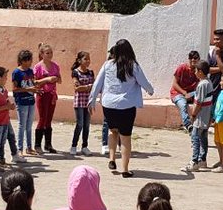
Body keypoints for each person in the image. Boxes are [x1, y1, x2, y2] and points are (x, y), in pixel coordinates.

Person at [90, 38, 155, 178]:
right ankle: (125, 169)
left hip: (109, 105)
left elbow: (97, 83)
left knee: (113, 131)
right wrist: (150, 90)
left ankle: (112, 159)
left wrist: (92, 100)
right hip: (126, 106)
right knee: (125, 137)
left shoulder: (108, 64)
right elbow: (144, 82)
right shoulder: (133, 65)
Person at [181, 61, 214, 174]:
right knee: (203, 138)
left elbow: (198, 102)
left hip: (200, 117)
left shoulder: (202, 84)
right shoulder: (208, 82)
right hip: (206, 116)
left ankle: (195, 161)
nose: (194, 72)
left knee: (195, 138)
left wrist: (193, 115)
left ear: (200, 72)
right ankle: (202, 160)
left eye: (196, 70)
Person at [33, 44, 62, 154]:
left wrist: (56, 79)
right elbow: (34, 82)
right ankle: (37, 145)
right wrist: (47, 79)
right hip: (42, 94)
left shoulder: (55, 66)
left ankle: (48, 144)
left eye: (51, 52)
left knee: (49, 119)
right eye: (47, 53)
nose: (50, 55)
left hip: (52, 95)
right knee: (42, 118)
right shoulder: (38, 67)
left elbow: (60, 80)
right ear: (42, 54)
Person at [11, 49, 39, 156]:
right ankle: (19, 149)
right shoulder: (17, 72)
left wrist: (36, 88)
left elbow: (32, 83)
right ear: (23, 60)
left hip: (31, 100)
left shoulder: (30, 71)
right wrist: (29, 89)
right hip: (22, 102)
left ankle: (29, 147)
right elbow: (15, 89)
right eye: (29, 60)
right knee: (22, 125)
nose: (31, 62)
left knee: (29, 126)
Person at [69, 51, 94, 156]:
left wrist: (85, 87)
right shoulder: (75, 72)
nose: (88, 61)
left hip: (88, 102)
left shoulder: (91, 72)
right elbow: (77, 88)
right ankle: (73, 145)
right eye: (85, 59)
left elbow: (94, 87)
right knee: (80, 124)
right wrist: (88, 87)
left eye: (89, 59)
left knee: (86, 125)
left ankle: (84, 146)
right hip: (79, 102)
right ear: (79, 60)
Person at [170, 49, 201, 131]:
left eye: (195, 58)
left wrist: (191, 95)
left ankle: (201, 124)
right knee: (183, 105)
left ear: (199, 59)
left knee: (202, 100)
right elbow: (174, 84)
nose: (193, 60)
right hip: (178, 93)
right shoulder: (182, 68)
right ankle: (188, 125)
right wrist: (184, 93)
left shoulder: (198, 71)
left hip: (191, 93)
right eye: (191, 58)